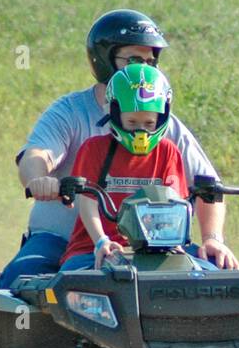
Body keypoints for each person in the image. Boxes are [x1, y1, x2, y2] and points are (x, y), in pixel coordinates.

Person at [0, 9, 238, 288]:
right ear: (104, 60)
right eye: (135, 59)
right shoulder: (70, 112)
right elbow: (36, 155)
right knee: (20, 279)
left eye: (151, 62)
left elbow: (208, 186)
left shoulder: (161, 122)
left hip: (150, 246)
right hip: (65, 239)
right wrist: (40, 180)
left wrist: (212, 239)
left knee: (220, 279)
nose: (145, 69)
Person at [57, 64, 204, 271]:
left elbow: (174, 202)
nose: (141, 131)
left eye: (149, 123)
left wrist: (175, 244)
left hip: (157, 251)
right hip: (93, 248)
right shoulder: (94, 149)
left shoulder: (167, 151)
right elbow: (87, 202)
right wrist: (101, 241)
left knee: (212, 272)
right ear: (115, 114)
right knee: (71, 282)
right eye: (132, 122)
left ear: (161, 119)